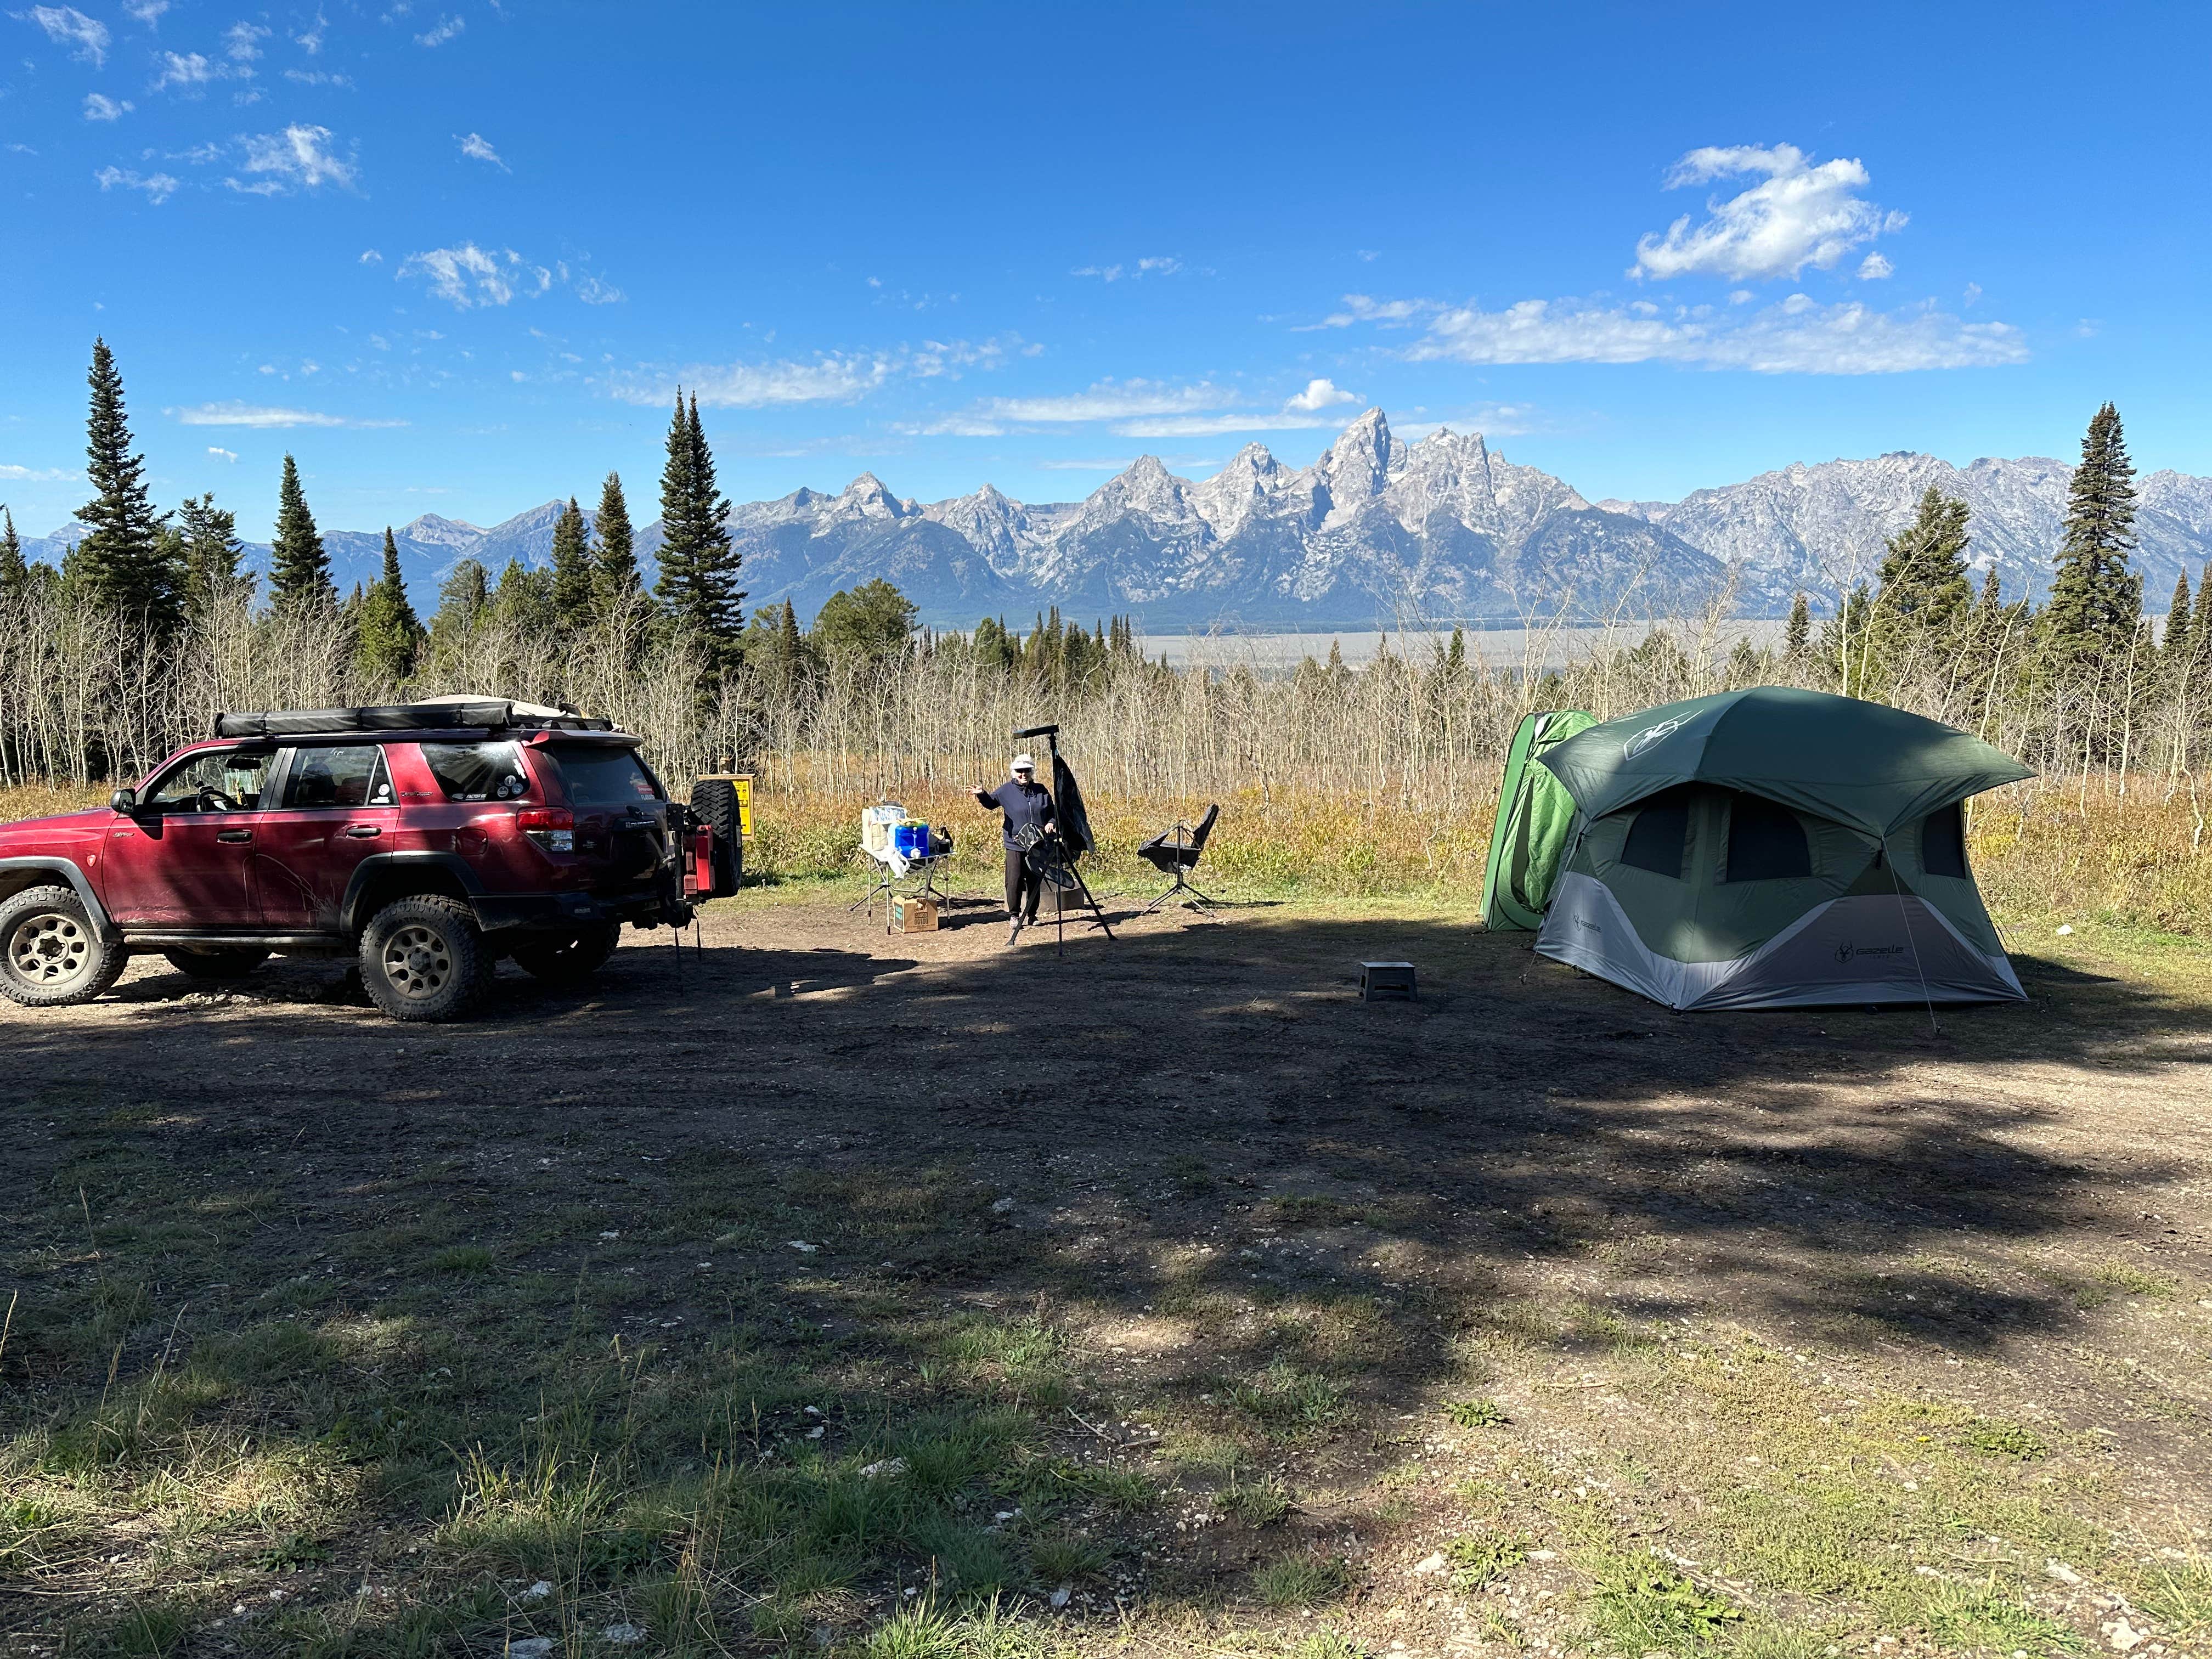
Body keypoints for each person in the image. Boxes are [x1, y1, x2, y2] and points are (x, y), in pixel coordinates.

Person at [972, 753, 1056, 944]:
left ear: (1031, 772)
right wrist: (982, 794)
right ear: (1014, 773)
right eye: (1019, 771)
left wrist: (1051, 822)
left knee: (1034, 879)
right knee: (1015, 879)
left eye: (1027, 770)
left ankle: (1032, 915)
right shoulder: (1006, 791)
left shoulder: (1041, 790)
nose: (1023, 774)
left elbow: (1052, 812)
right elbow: (991, 803)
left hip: (1037, 843)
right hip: (1015, 843)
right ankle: (1014, 915)